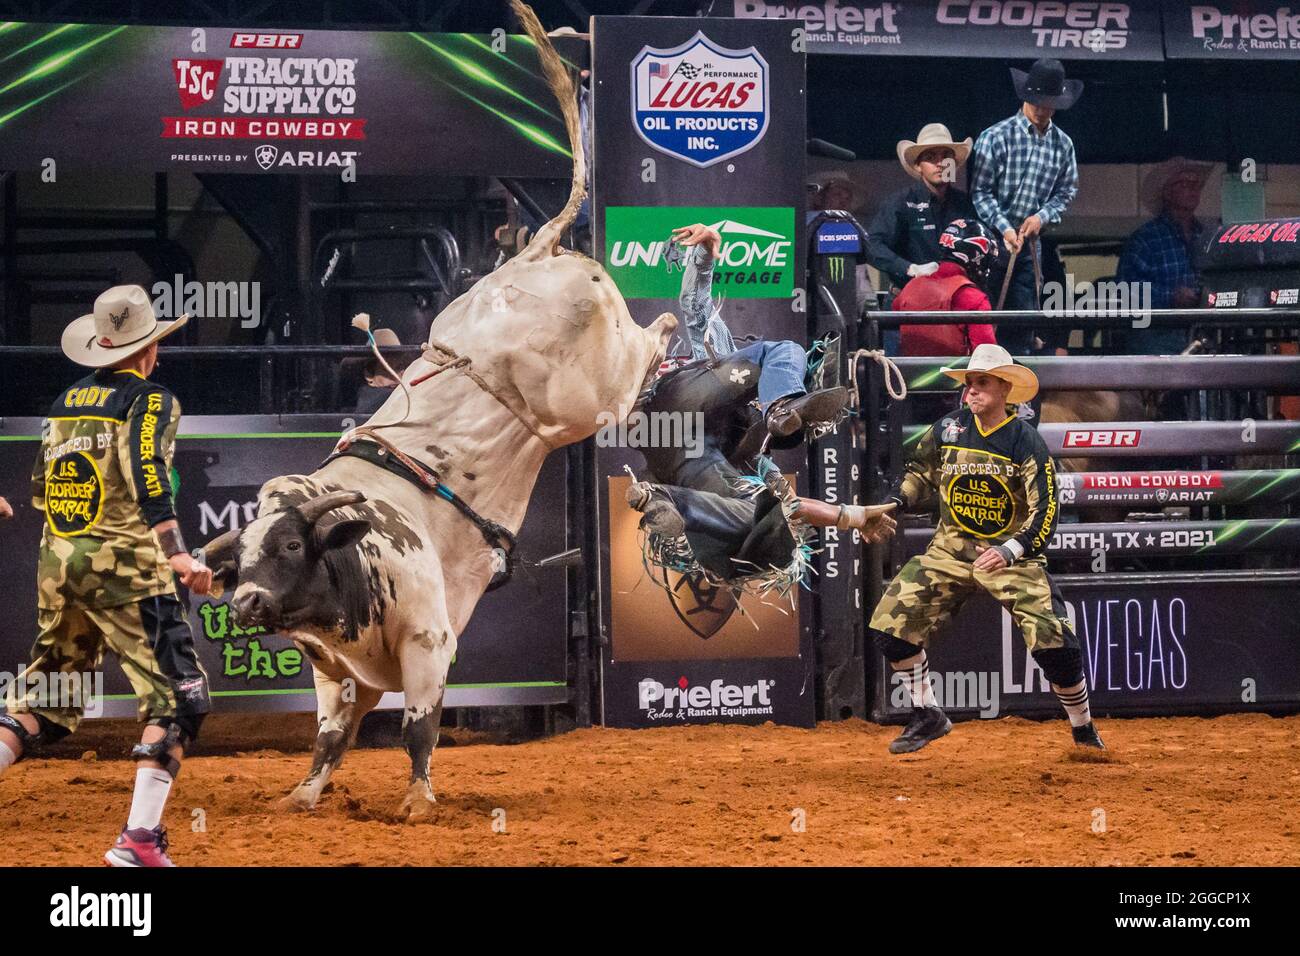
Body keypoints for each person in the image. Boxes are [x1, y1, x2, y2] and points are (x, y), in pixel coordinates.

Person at [0, 285, 213, 867]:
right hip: (128, 572)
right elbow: (148, 475)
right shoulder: (151, 401)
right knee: (179, 698)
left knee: (48, 696)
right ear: (150, 350)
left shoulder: (65, 402)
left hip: (60, 566)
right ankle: (139, 840)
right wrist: (176, 554)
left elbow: (44, 491)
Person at [864, 343, 1104, 754]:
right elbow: (919, 472)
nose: (970, 391)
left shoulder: (1024, 442)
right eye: (969, 383)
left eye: (982, 383)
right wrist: (895, 503)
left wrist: (1013, 549)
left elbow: (1045, 510)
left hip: (1010, 554)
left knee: (1055, 641)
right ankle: (927, 714)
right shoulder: (948, 429)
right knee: (890, 628)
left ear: (1005, 389)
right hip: (950, 550)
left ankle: (1082, 726)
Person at [627, 223, 895, 584]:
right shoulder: (725, 364)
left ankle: (663, 500)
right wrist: (705, 255)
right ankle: (784, 406)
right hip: (673, 407)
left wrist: (854, 516)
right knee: (784, 351)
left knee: (763, 513)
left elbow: (789, 507)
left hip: (672, 451)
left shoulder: (757, 457)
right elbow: (695, 302)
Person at [970, 58, 1081, 356]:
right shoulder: (995, 137)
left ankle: (1020, 392)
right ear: (1026, 97)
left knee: (1023, 318)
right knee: (985, 315)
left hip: (1030, 243)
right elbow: (980, 193)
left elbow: (1066, 191)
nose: (1042, 109)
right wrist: (1005, 228)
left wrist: (1041, 217)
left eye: (1049, 103)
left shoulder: (1063, 144)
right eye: (1037, 102)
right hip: (992, 240)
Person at [1114, 157, 1213, 355]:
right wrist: (1171, 297)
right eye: (1185, 183)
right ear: (1167, 192)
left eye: (1197, 184)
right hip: (1154, 345)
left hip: (1200, 341)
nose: (1194, 189)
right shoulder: (1144, 240)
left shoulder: (1206, 237)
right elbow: (1126, 293)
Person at [866, 123, 979, 294]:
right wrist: (909, 268)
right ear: (918, 166)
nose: (940, 163)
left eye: (946, 156)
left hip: (953, 301)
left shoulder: (965, 204)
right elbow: (872, 245)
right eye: (931, 157)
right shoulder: (901, 203)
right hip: (908, 299)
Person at [894, 218, 1000, 357]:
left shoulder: (911, 287)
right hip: (954, 377)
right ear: (976, 256)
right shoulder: (973, 298)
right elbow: (988, 358)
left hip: (908, 376)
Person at [351, 327, 409, 415]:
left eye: (400, 367)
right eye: (388, 369)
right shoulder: (374, 399)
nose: (399, 375)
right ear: (369, 375)